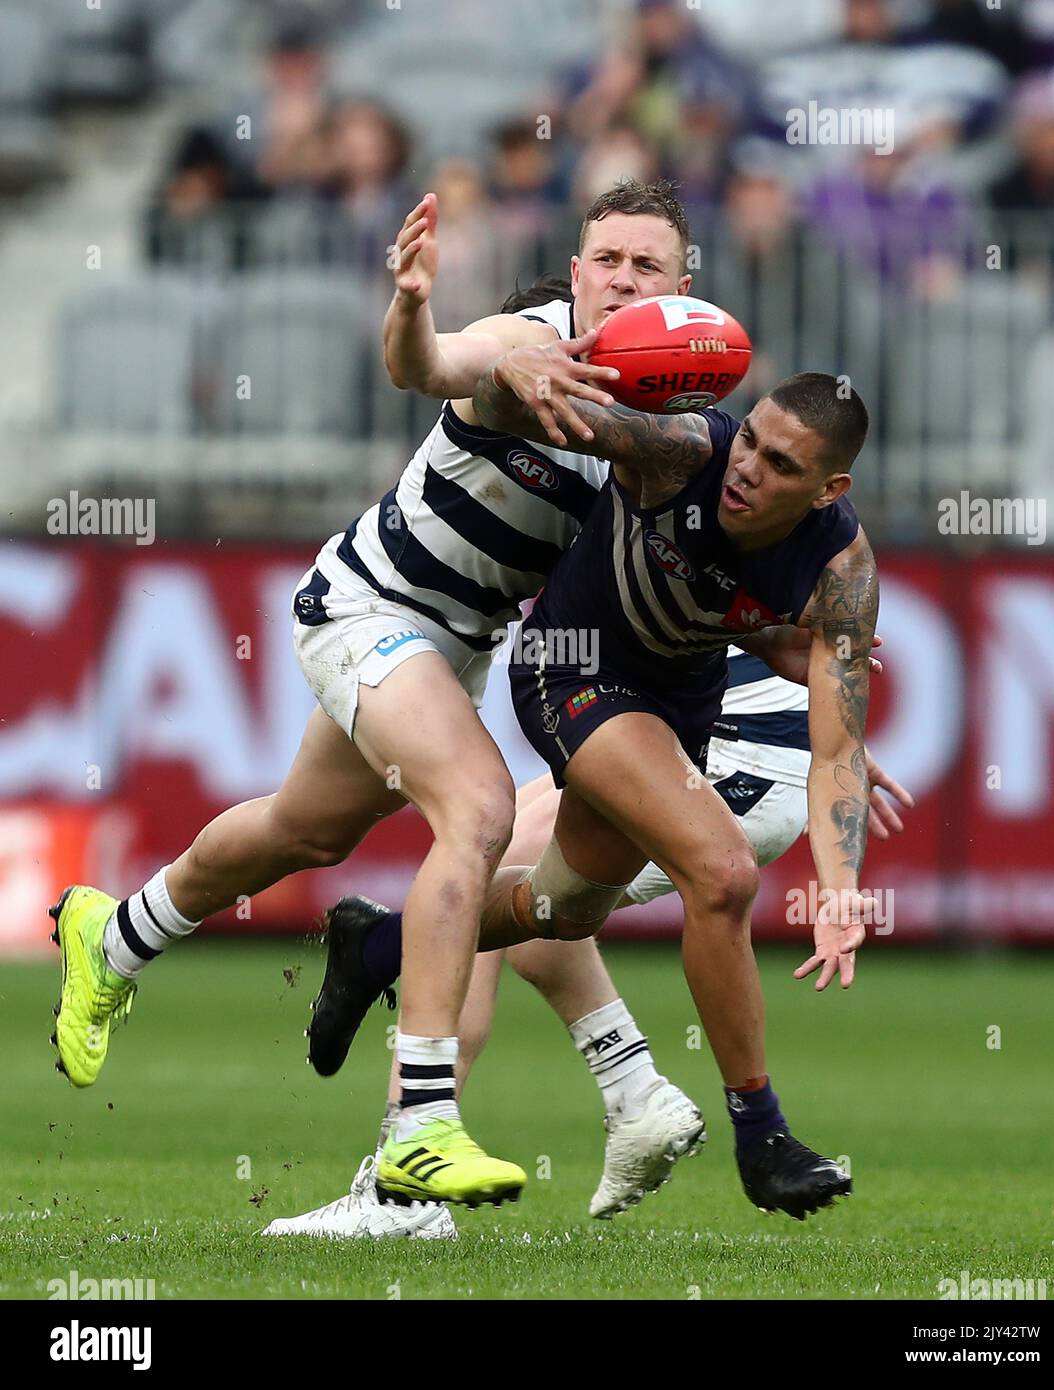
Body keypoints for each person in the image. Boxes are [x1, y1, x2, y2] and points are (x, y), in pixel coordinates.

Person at [48, 179, 751, 1211]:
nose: (622, 280)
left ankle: (111, 935)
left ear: (684, 291)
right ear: (575, 272)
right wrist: (413, 303)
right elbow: (425, 366)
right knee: (480, 807)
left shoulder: (674, 426)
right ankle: (421, 1123)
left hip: (451, 649)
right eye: (606, 260)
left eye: (647, 266)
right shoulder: (531, 343)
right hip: (366, 607)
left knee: (302, 830)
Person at [293, 361, 880, 1220]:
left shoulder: (845, 574)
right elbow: (550, 413)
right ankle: (763, 1137)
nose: (750, 467)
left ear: (831, 489)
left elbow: (836, 753)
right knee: (721, 874)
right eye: (750, 439)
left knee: (560, 911)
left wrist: (841, 893)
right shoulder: (684, 451)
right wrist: (486, 356)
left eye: (782, 466)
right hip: (571, 668)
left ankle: (375, 948)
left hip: (676, 703)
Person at [265, 652, 912, 1239]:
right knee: (542, 900)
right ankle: (634, 1092)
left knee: (487, 872)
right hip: (713, 738)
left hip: (724, 753)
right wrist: (825, 739)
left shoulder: (672, 524)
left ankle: (400, 1194)